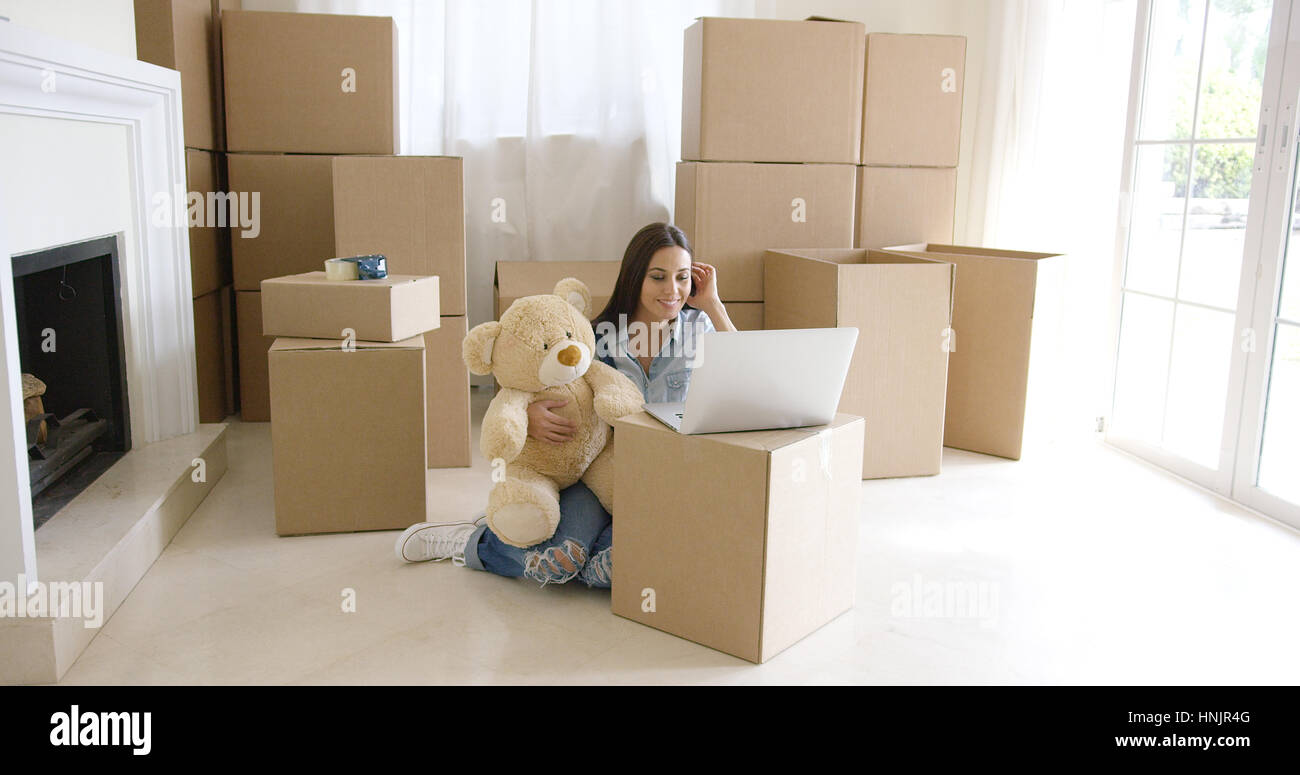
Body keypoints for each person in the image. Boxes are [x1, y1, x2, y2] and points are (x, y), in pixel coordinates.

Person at [395, 222, 736, 586]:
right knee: (563, 551)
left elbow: (744, 377)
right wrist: (529, 413)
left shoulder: (700, 327)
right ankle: (471, 542)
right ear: (635, 277)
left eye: (683, 277)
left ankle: (576, 563)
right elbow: (532, 380)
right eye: (658, 277)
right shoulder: (595, 336)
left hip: (662, 475)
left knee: (616, 560)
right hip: (593, 471)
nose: (673, 290)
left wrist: (713, 304)